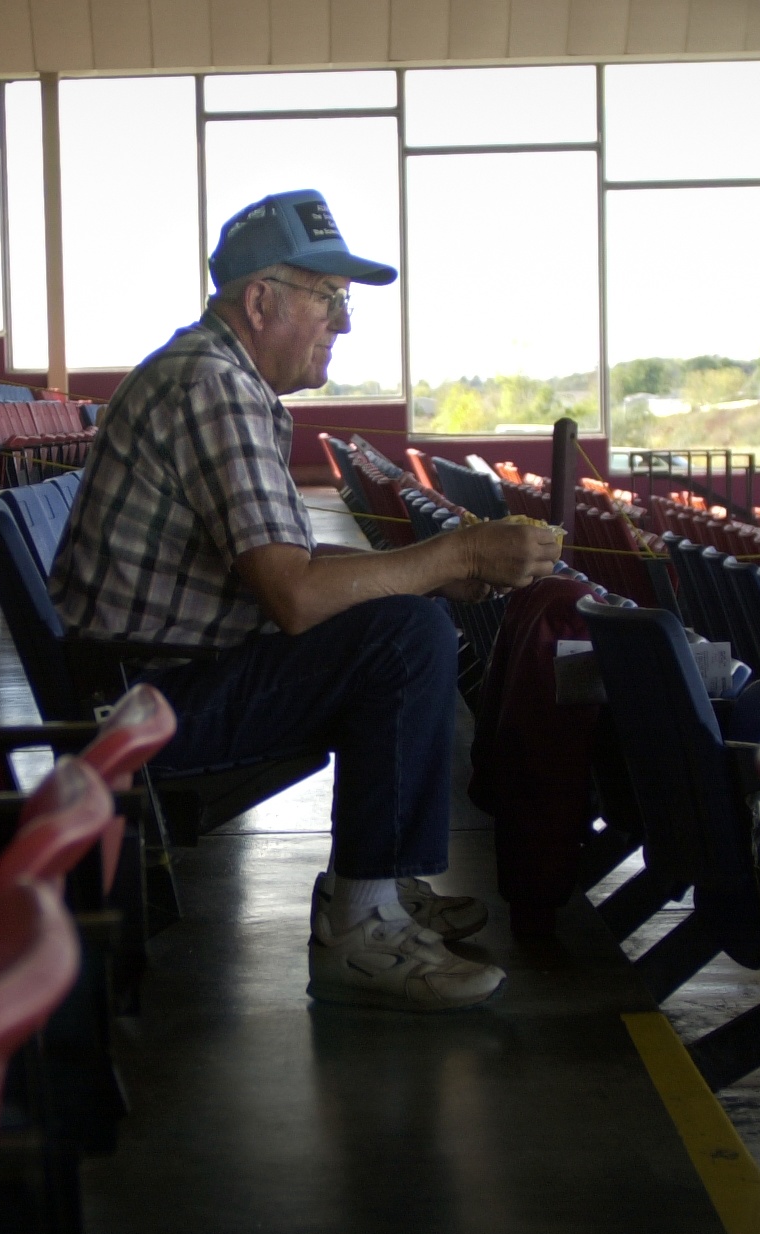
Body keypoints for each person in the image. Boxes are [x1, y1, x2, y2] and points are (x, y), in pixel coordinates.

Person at [49, 190, 564, 1012]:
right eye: (330, 299)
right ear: (261, 300)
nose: (344, 323)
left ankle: (380, 883)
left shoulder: (216, 375)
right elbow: (291, 595)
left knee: (408, 615)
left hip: (153, 682)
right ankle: (362, 926)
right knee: (403, 636)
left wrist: (431, 568)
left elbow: (278, 559)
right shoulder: (211, 386)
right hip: (149, 704)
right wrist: (454, 553)